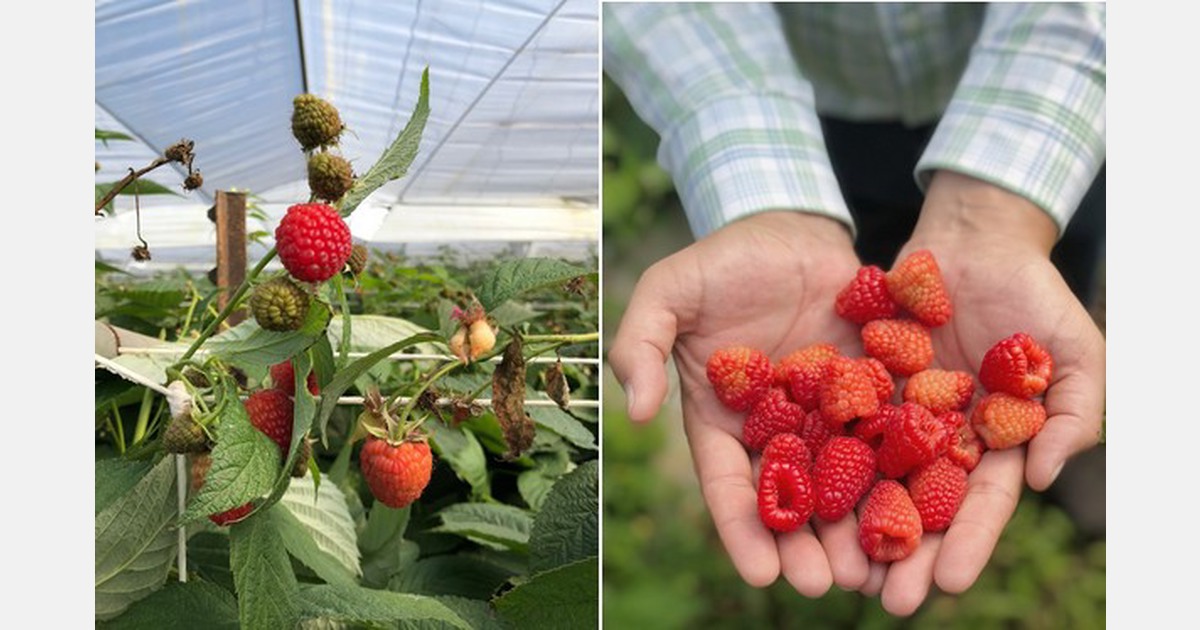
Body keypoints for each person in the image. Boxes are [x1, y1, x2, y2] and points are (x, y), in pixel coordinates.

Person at [603, 2, 1105, 617]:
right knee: (872, 249)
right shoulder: (846, 403)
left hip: (1045, 122)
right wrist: (769, 202)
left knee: (1062, 269)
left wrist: (1000, 214)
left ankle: (1061, 476)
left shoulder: (910, 400)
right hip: (823, 115)